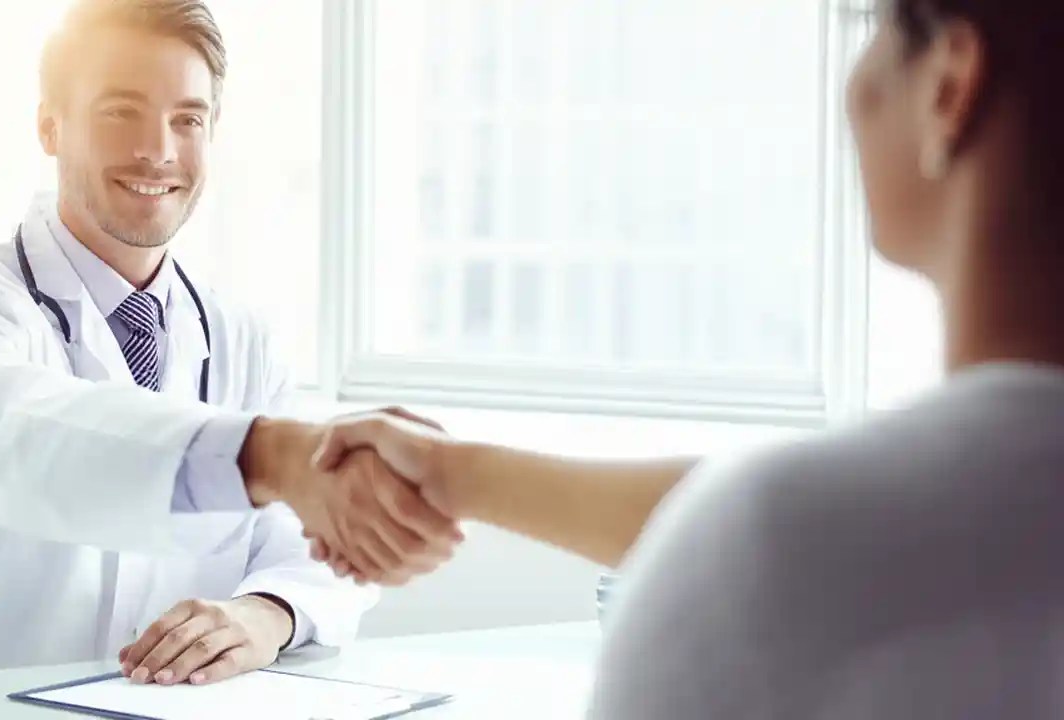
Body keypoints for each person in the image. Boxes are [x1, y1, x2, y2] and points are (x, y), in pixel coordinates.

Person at [310, 1, 1064, 716]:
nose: (855, 83)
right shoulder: (840, 532)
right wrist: (454, 474)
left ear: (949, 86)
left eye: (870, 26)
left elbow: (796, 533)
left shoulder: (773, 550)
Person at [0, 0, 460, 685]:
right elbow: (6, 432)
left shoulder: (242, 337)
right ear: (49, 126)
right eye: (121, 111)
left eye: (187, 119)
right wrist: (265, 455)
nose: (157, 149)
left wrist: (266, 614)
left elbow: (314, 548)